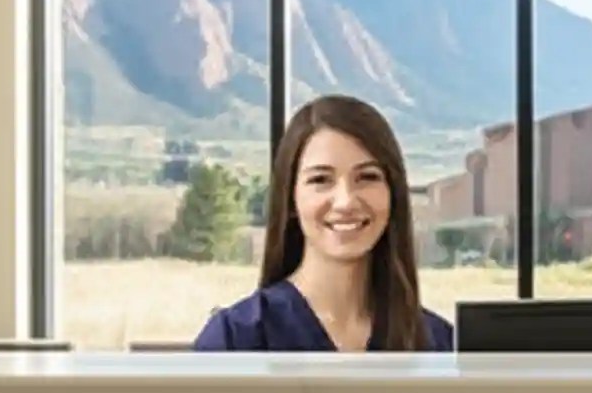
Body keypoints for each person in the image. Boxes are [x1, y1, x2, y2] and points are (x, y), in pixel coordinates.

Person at [192, 94, 454, 352]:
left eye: (367, 177)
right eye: (320, 180)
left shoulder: (439, 344)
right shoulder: (234, 340)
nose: (345, 202)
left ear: (393, 193)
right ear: (291, 198)